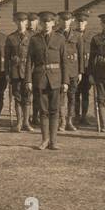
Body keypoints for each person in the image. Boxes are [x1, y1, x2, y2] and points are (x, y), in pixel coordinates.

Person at [28, 10, 66, 150]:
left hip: (56, 78)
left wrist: (65, 81)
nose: (46, 24)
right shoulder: (34, 39)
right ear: (40, 23)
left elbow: (64, 62)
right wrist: (28, 81)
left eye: (49, 21)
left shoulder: (60, 38)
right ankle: (44, 140)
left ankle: (54, 141)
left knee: (54, 110)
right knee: (43, 110)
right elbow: (29, 62)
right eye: (44, 22)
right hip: (40, 78)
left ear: (53, 23)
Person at [4, 12, 33, 133]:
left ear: (26, 22)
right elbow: (6, 57)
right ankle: (19, 122)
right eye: (18, 21)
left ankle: (26, 123)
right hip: (15, 71)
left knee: (27, 97)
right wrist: (7, 73)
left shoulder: (32, 37)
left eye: (23, 21)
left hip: (28, 71)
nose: (21, 24)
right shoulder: (10, 38)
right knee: (17, 97)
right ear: (15, 22)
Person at [73, 10, 92, 126]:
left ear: (86, 23)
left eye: (83, 21)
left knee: (85, 93)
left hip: (86, 68)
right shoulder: (72, 35)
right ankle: (76, 116)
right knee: (75, 93)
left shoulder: (91, 35)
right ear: (75, 22)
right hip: (74, 68)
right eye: (78, 21)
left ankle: (84, 116)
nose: (81, 24)